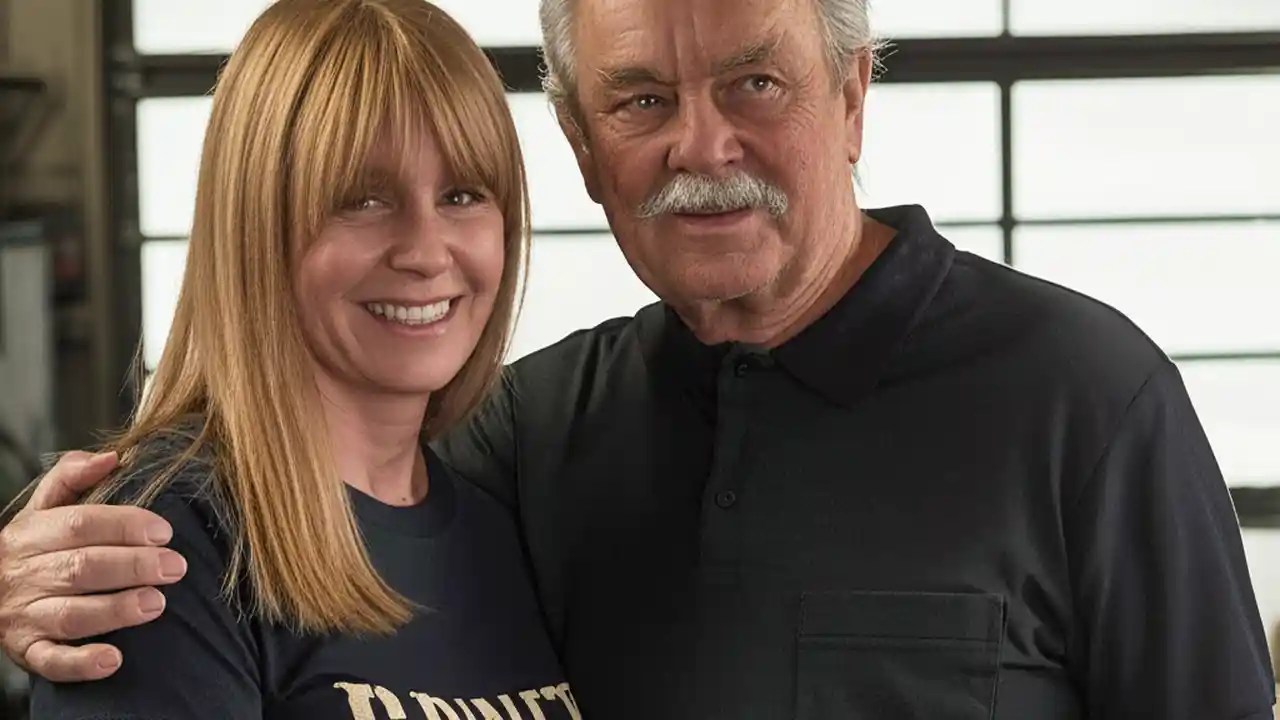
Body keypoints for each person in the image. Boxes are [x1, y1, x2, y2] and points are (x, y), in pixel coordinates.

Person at [0, 0, 1274, 717]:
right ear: (576, 143)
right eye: (640, 101)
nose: (699, 145)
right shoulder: (526, 433)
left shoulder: (1084, 399)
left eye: (755, 84)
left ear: (852, 100)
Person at [7, 0, 584, 718]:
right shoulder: (163, 538)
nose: (427, 252)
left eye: (463, 195)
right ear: (255, 222)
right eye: (363, 200)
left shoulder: (499, 530)